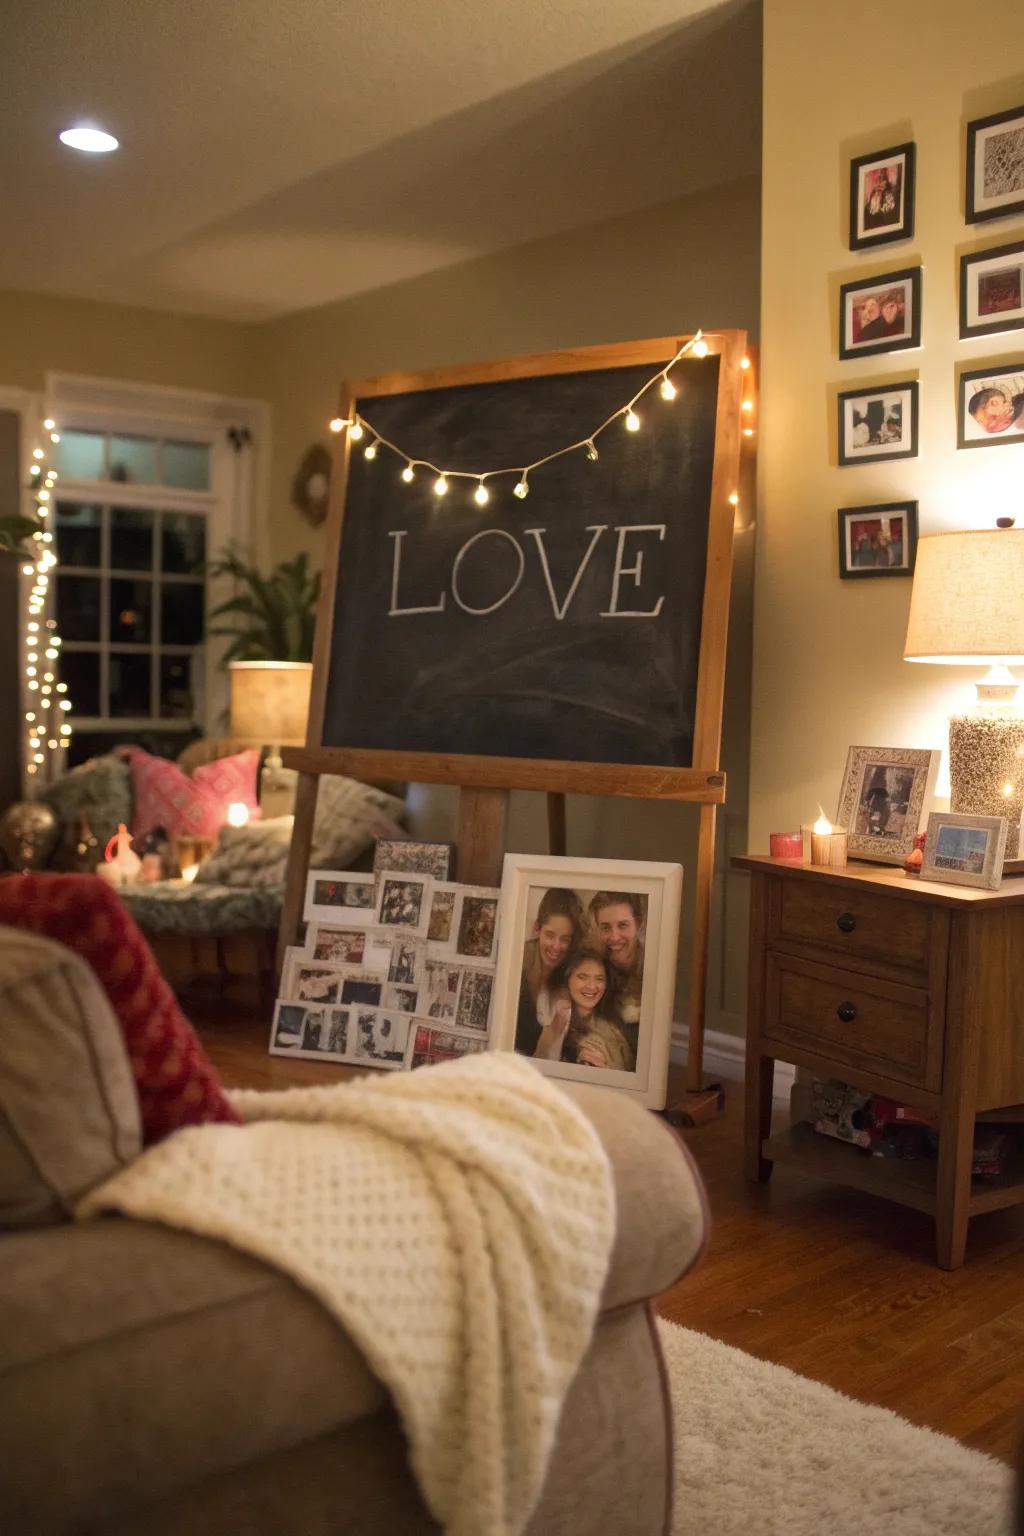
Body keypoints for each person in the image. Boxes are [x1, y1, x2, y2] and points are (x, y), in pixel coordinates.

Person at [533, 947, 633, 1071]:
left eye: (599, 979)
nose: (592, 986)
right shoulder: (553, 1023)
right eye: (582, 977)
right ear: (567, 980)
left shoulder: (613, 1026)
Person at [514, 888, 583, 1055]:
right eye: (550, 935)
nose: (556, 946)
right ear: (537, 928)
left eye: (565, 939)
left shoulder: (571, 977)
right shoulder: (516, 963)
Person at [588, 890, 645, 1062]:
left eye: (622, 925)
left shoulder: (653, 966)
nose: (614, 937)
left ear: (638, 924)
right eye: (605, 927)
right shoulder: (597, 967)